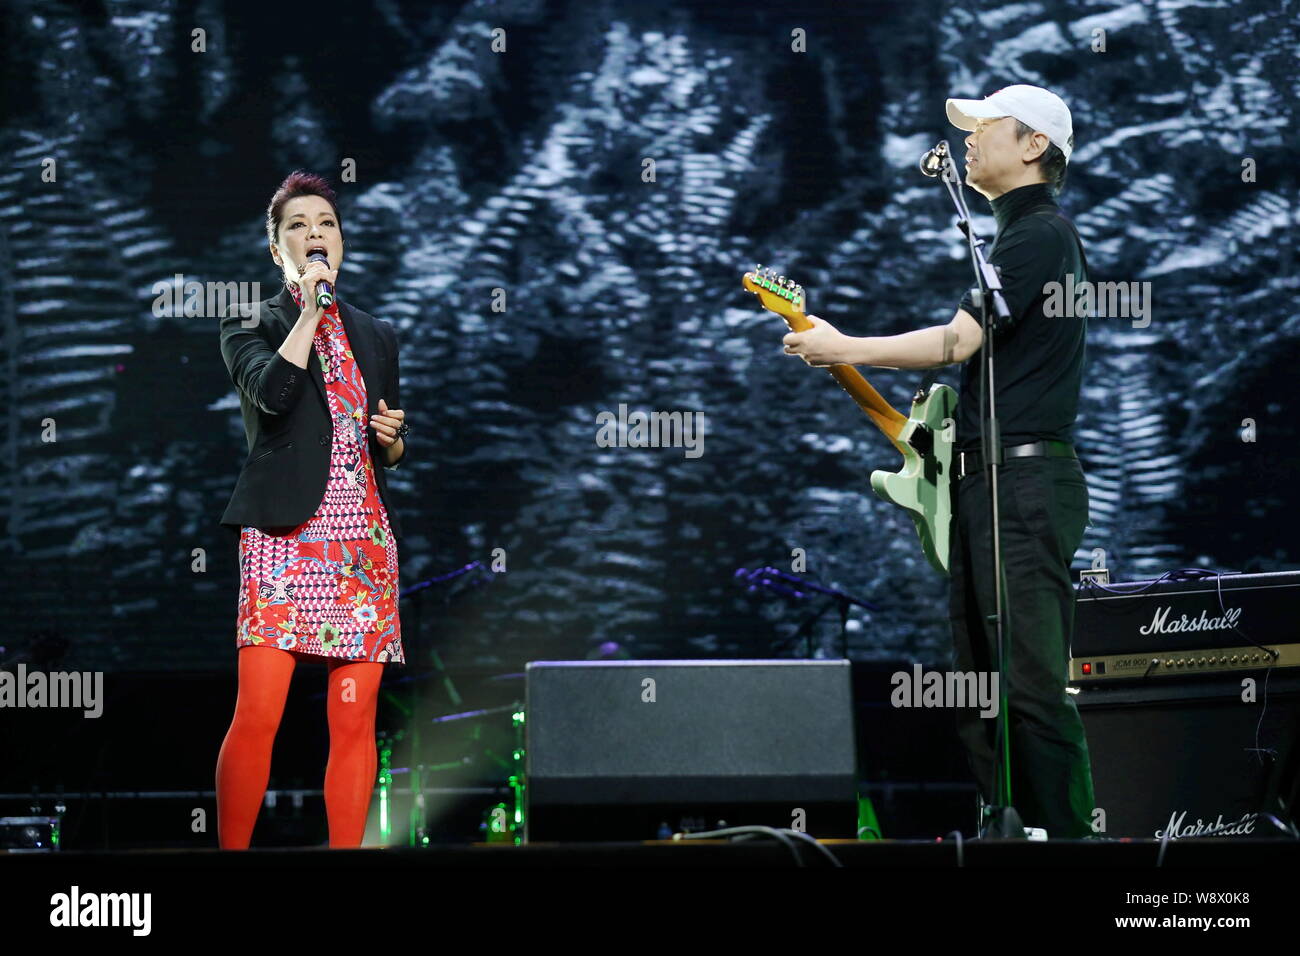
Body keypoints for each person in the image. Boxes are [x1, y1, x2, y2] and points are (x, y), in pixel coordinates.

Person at [781, 85, 1095, 838]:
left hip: (1020, 484)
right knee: (985, 687)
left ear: (1032, 146)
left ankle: (1072, 843)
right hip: (991, 483)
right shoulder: (1021, 240)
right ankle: (1010, 830)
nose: (969, 138)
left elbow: (958, 340)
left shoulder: (1040, 236)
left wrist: (843, 348)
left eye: (986, 126)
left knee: (1027, 684)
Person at [215, 170, 411, 849]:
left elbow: (382, 445)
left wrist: (393, 441)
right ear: (277, 251)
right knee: (259, 711)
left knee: (354, 720)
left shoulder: (378, 335)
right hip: (284, 536)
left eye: (324, 223)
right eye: (297, 226)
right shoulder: (253, 321)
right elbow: (273, 397)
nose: (314, 234)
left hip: (361, 542)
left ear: (342, 243)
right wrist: (308, 313)